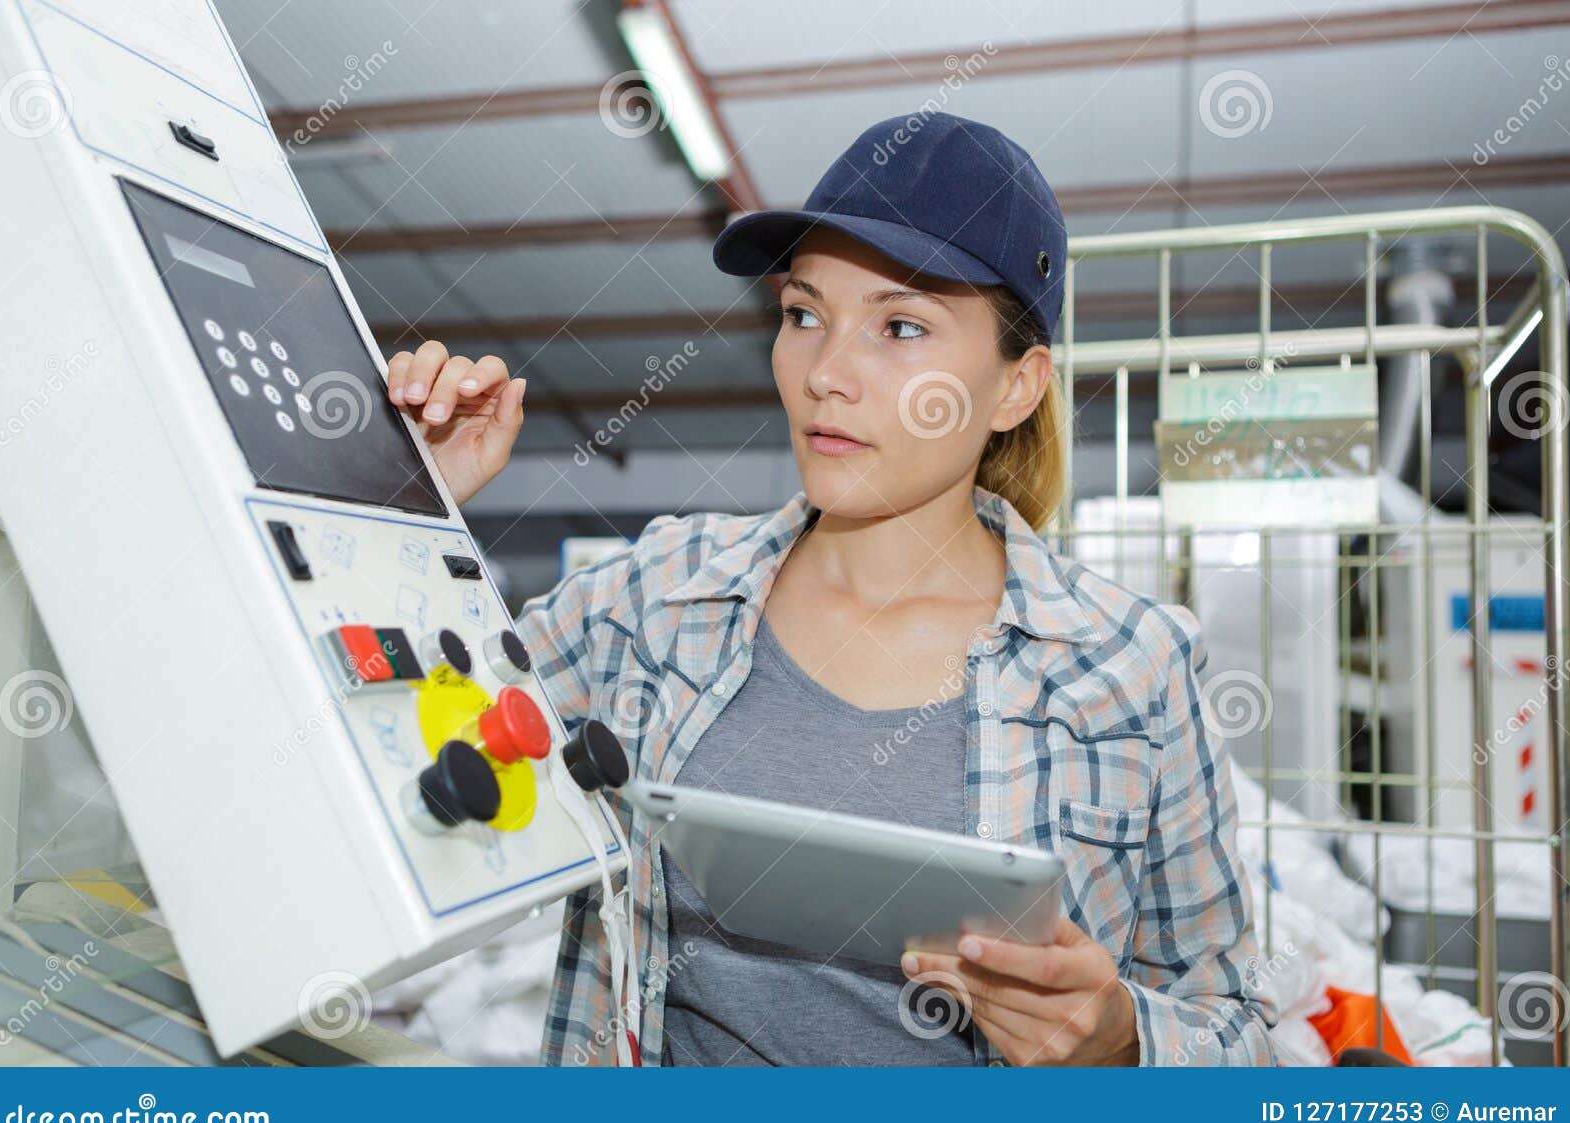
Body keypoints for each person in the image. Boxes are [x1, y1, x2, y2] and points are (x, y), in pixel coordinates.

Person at [385, 112, 1277, 1067]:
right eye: (805, 314)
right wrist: (404, 505)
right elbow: (405, 760)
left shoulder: (1131, 667)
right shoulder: (655, 597)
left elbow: (1239, 1030)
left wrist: (1122, 1040)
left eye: (900, 326)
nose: (827, 373)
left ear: (1016, 387)